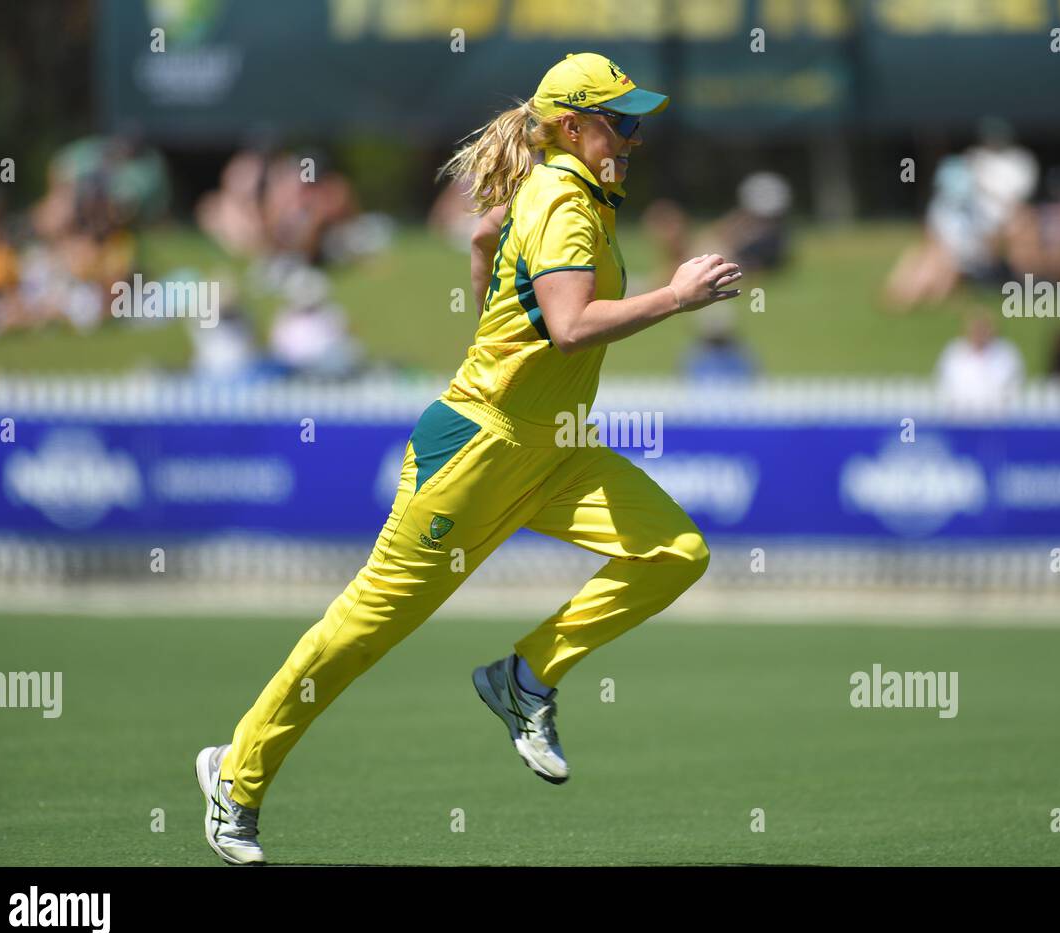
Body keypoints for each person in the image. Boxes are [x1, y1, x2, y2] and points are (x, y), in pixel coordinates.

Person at [196, 52, 742, 865]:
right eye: (620, 120)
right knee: (358, 634)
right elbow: (569, 324)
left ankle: (524, 677)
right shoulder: (563, 196)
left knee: (674, 552)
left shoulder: (562, 191)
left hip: (551, 452)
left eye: (637, 120)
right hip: (477, 454)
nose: (634, 134)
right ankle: (235, 776)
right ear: (571, 126)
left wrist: (488, 298)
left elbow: (486, 233)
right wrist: (676, 296)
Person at [934, 308, 1024, 412]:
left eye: (983, 328)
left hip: (997, 416)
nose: (979, 332)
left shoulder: (1007, 354)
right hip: (960, 415)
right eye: (975, 328)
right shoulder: (953, 353)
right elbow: (942, 384)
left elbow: (1015, 386)